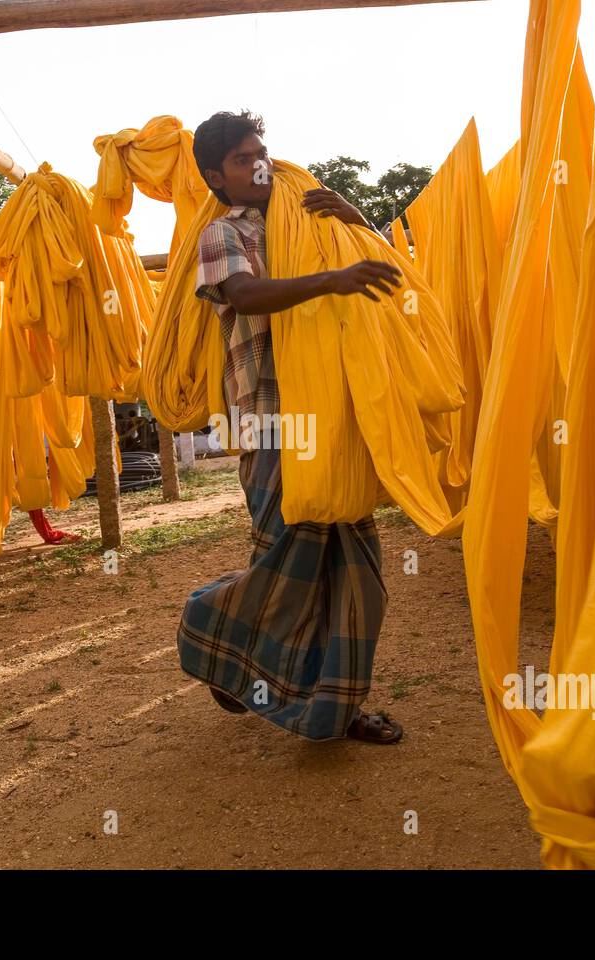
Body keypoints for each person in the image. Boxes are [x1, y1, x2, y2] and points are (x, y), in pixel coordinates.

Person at [175, 109, 405, 744]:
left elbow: (378, 280)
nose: (259, 165)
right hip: (271, 420)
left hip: (330, 415)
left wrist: (356, 224)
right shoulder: (223, 235)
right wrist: (331, 279)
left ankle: (336, 705)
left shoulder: (308, 224)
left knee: (355, 573)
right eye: (244, 159)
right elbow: (245, 296)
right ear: (215, 175)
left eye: (262, 153)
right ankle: (217, 633)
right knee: (289, 553)